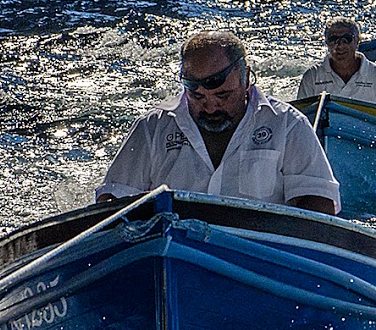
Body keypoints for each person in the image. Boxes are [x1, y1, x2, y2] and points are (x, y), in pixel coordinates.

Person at [97, 30, 341, 214]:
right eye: (198, 97)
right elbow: (113, 199)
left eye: (222, 95)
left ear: (246, 80)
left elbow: (320, 202)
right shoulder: (152, 128)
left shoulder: (288, 125)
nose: (211, 107)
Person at [297, 18, 376, 108]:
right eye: (333, 39)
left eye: (346, 39)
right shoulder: (312, 76)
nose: (340, 46)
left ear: (357, 41)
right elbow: (301, 118)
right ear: (326, 43)